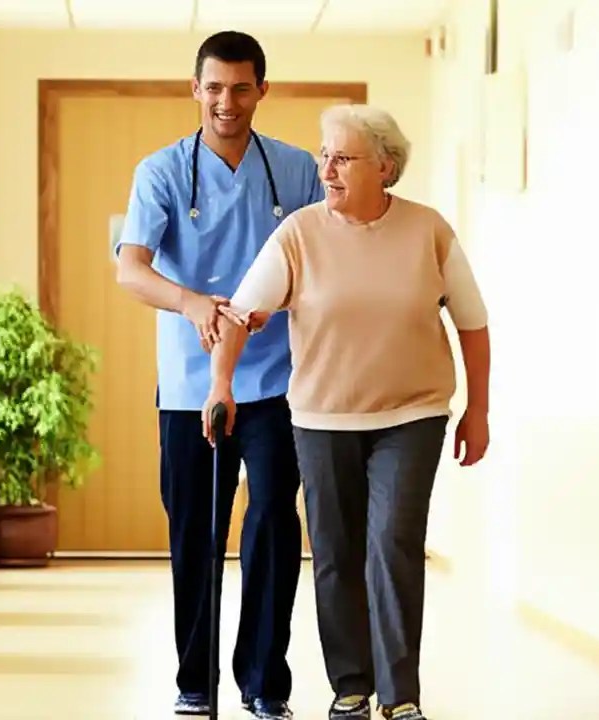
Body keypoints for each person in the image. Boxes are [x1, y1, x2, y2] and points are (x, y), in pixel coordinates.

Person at [201, 104, 492, 720]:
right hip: (322, 417)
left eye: (341, 158)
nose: (325, 169)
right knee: (334, 553)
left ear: (384, 168)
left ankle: (401, 694)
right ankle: (351, 687)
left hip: (412, 413)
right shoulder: (300, 234)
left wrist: (478, 410)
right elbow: (241, 314)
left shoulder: (427, 231)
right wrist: (220, 382)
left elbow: (472, 323)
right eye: (322, 156)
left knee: (393, 544)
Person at [114, 30, 323, 720]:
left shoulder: (295, 172)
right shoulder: (162, 172)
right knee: (195, 534)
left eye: (240, 87)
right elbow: (131, 268)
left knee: (271, 522)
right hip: (188, 385)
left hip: (276, 383)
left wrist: (281, 302)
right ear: (194, 89)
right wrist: (191, 300)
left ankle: (264, 682)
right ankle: (195, 680)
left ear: (262, 90)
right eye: (214, 87)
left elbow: (322, 262)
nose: (226, 102)